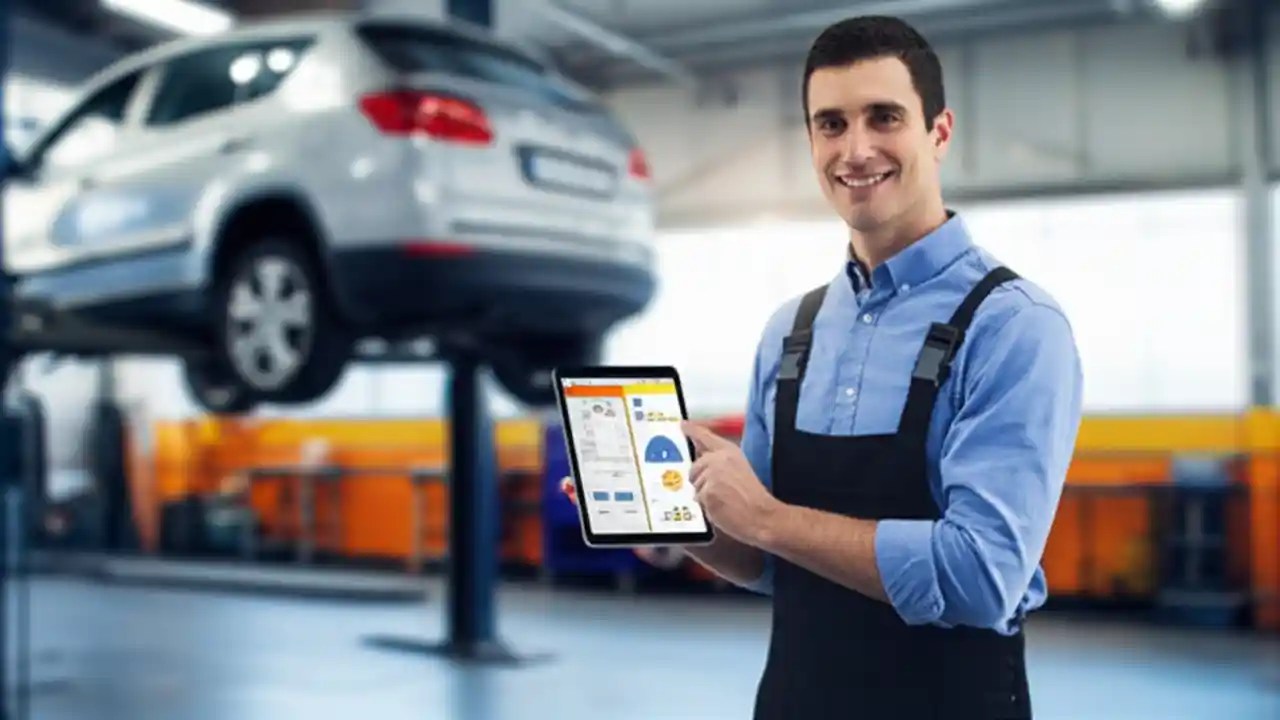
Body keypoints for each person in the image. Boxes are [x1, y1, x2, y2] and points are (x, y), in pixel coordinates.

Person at [563, 14, 1083, 719]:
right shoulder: (791, 333)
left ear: (939, 132)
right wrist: (685, 526)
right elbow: (766, 560)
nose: (857, 148)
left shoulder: (1014, 327)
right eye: (831, 124)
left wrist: (769, 519)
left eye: (885, 117)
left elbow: (981, 575)